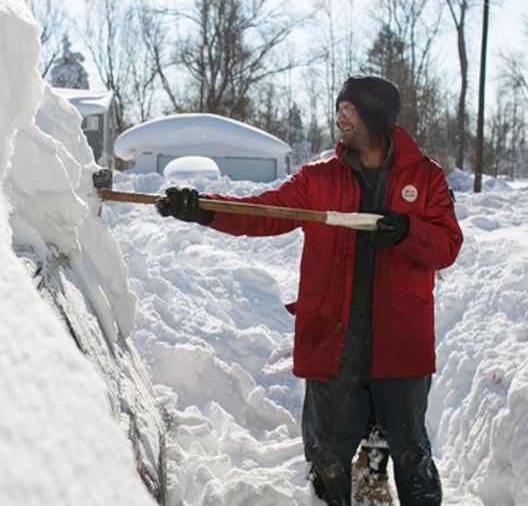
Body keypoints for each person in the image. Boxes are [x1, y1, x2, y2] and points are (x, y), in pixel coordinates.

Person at [156, 76, 463, 505]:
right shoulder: (320, 178)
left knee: (411, 452)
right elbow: (264, 213)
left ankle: (378, 477)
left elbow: (448, 245)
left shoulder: (425, 177)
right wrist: (203, 210)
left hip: (401, 338)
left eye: (349, 111)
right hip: (335, 335)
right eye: (339, 111)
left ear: (376, 115)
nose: (339, 120)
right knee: (327, 456)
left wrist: (408, 232)